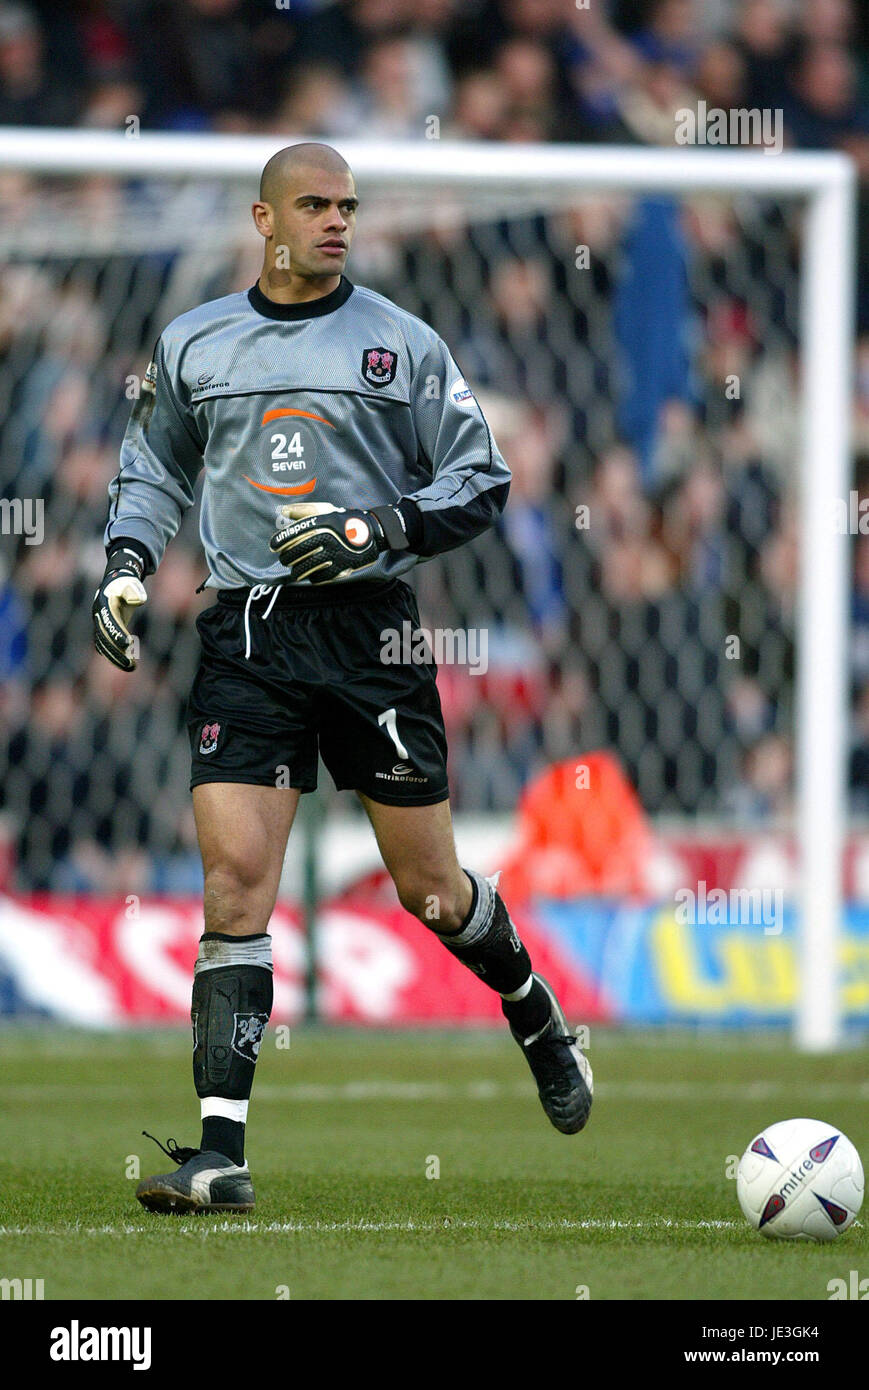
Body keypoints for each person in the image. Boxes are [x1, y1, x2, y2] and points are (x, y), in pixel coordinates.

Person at [94, 142, 592, 1214]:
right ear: (264, 218)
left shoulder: (400, 345)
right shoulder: (194, 343)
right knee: (233, 880)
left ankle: (533, 1010)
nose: (335, 221)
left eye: (347, 206)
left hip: (371, 637)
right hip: (247, 631)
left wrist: (376, 525)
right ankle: (219, 1153)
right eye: (313, 204)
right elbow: (152, 467)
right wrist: (127, 567)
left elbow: (481, 477)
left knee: (428, 890)